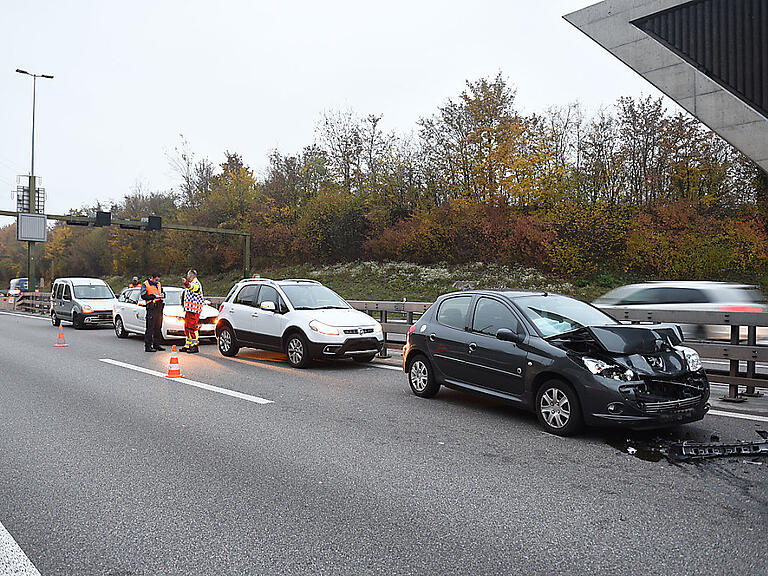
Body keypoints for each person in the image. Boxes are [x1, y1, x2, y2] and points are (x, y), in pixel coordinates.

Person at [180, 269, 204, 353]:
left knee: (192, 328)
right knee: (187, 327)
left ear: (191, 275)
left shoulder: (196, 283)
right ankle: (188, 345)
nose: (187, 276)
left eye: (188, 275)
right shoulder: (192, 283)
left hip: (194, 310)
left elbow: (193, 288)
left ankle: (194, 346)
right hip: (189, 309)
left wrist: (186, 283)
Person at [140, 274, 166, 352]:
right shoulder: (145, 284)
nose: (157, 281)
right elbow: (143, 295)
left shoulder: (158, 284)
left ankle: (156, 345)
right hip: (151, 308)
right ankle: (148, 346)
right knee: (150, 328)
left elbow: (162, 292)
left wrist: (163, 295)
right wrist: (154, 296)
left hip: (159, 307)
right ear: (152, 278)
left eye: (158, 280)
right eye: (156, 280)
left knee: (158, 327)